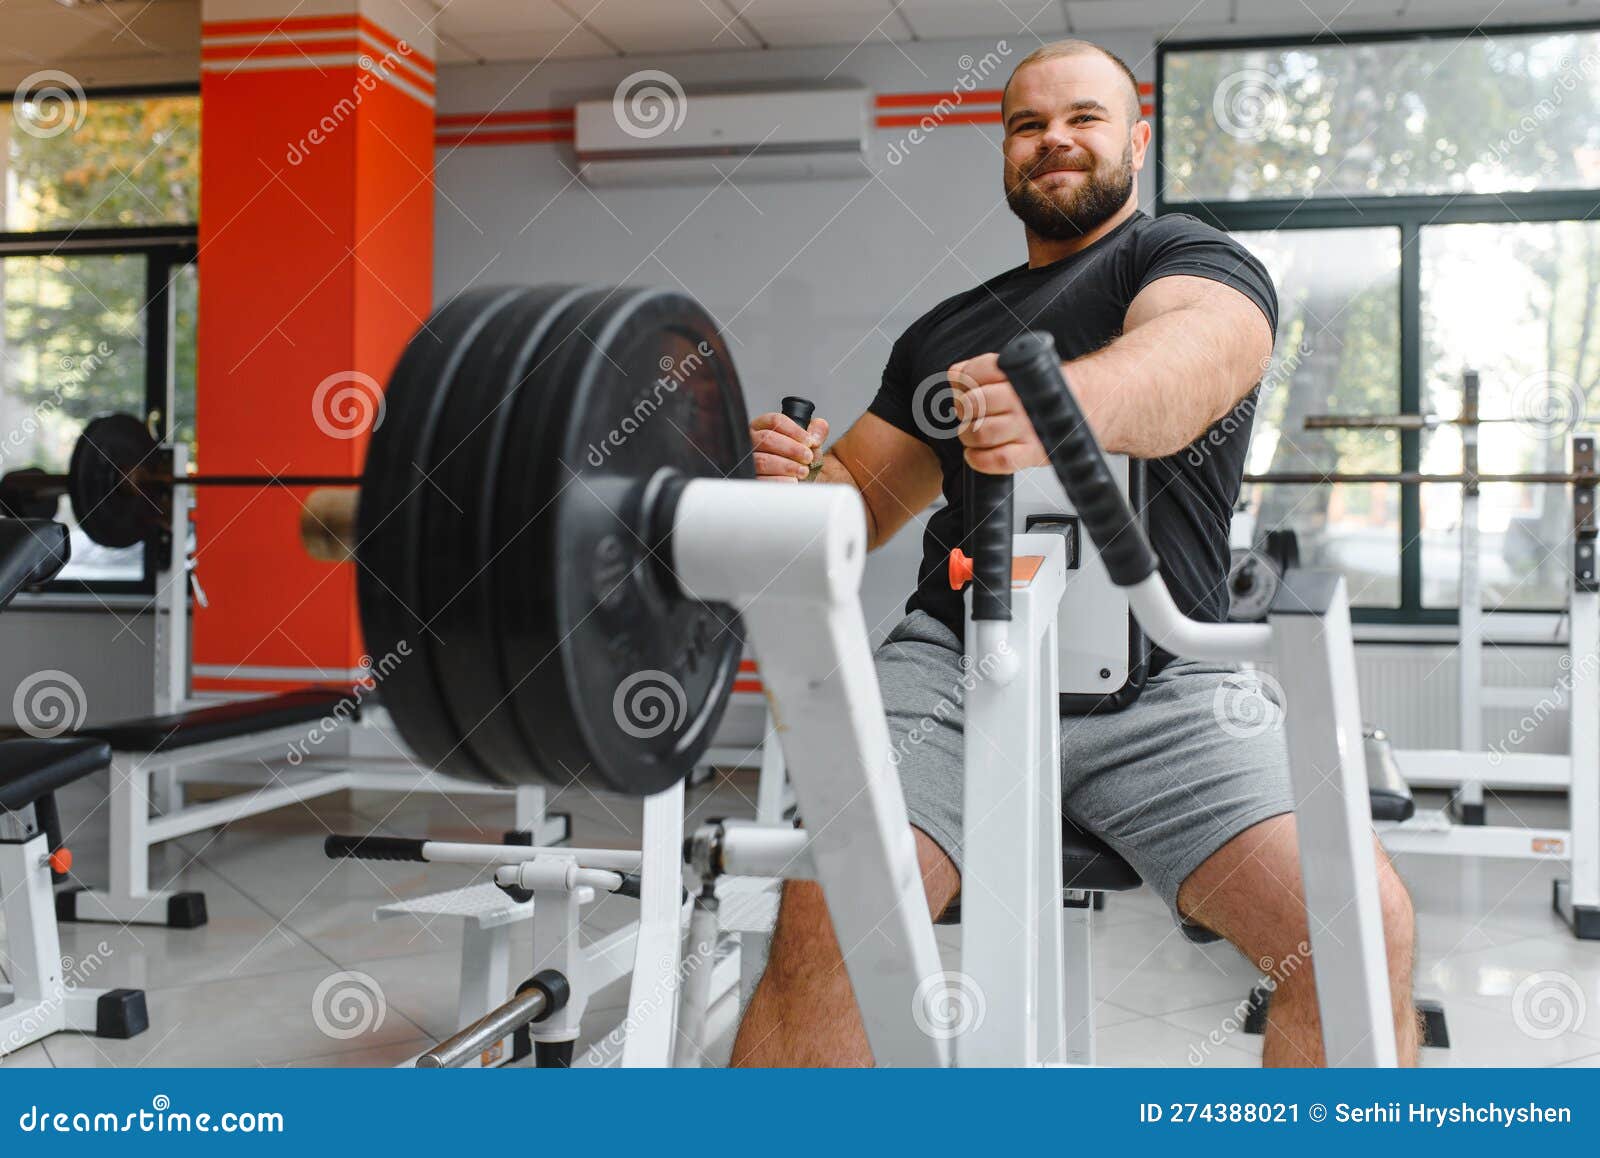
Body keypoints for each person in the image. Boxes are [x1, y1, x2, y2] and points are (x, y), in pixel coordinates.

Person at [732, 38, 1418, 1068]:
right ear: (1005, 154)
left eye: (1083, 117)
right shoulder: (942, 331)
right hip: (951, 666)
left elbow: (1201, 357)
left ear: (1136, 139)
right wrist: (790, 492)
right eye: (1026, 124)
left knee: (1355, 931)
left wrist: (1063, 408)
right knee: (834, 915)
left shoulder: (1182, 258)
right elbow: (856, 508)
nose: (1053, 138)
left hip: (1164, 677)